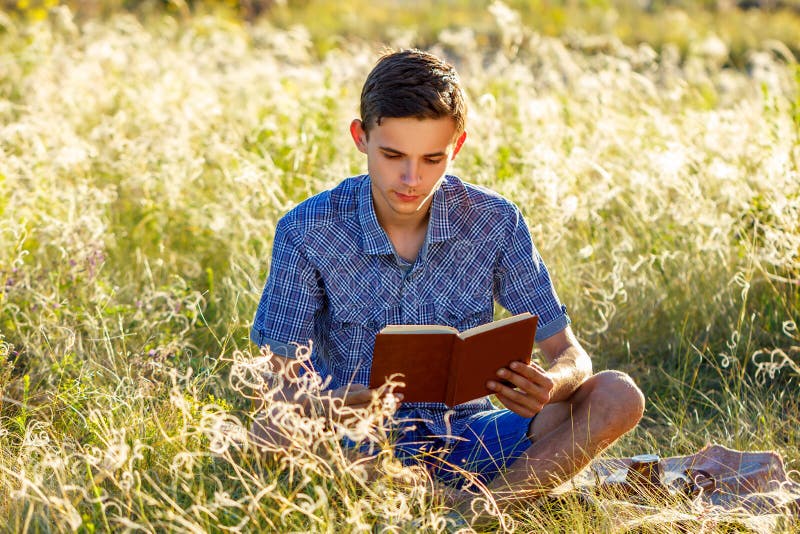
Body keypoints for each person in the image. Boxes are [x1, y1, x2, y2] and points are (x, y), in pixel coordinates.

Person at [250, 48, 645, 504]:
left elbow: (570, 354)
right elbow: (275, 389)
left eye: (432, 159)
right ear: (361, 137)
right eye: (393, 154)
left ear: (456, 147)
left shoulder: (496, 221)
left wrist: (550, 385)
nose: (411, 178)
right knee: (269, 434)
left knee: (618, 395)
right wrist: (327, 406)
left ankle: (480, 511)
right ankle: (489, 503)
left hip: (472, 435)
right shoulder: (306, 229)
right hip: (359, 440)